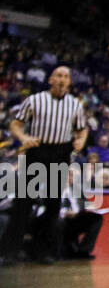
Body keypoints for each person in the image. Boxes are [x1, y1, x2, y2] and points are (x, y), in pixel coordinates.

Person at [0, 66, 89, 265]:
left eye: (66, 76)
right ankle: (9, 252)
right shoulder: (35, 100)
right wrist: (24, 137)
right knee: (23, 203)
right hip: (38, 150)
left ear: (69, 82)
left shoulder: (75, 105)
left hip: (61, 153)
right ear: (50, 79)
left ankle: (44, 252)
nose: (62, 79)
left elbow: (82, 130)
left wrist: (81, 141)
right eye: (58, 75)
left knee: (53, 205)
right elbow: (16, 124)